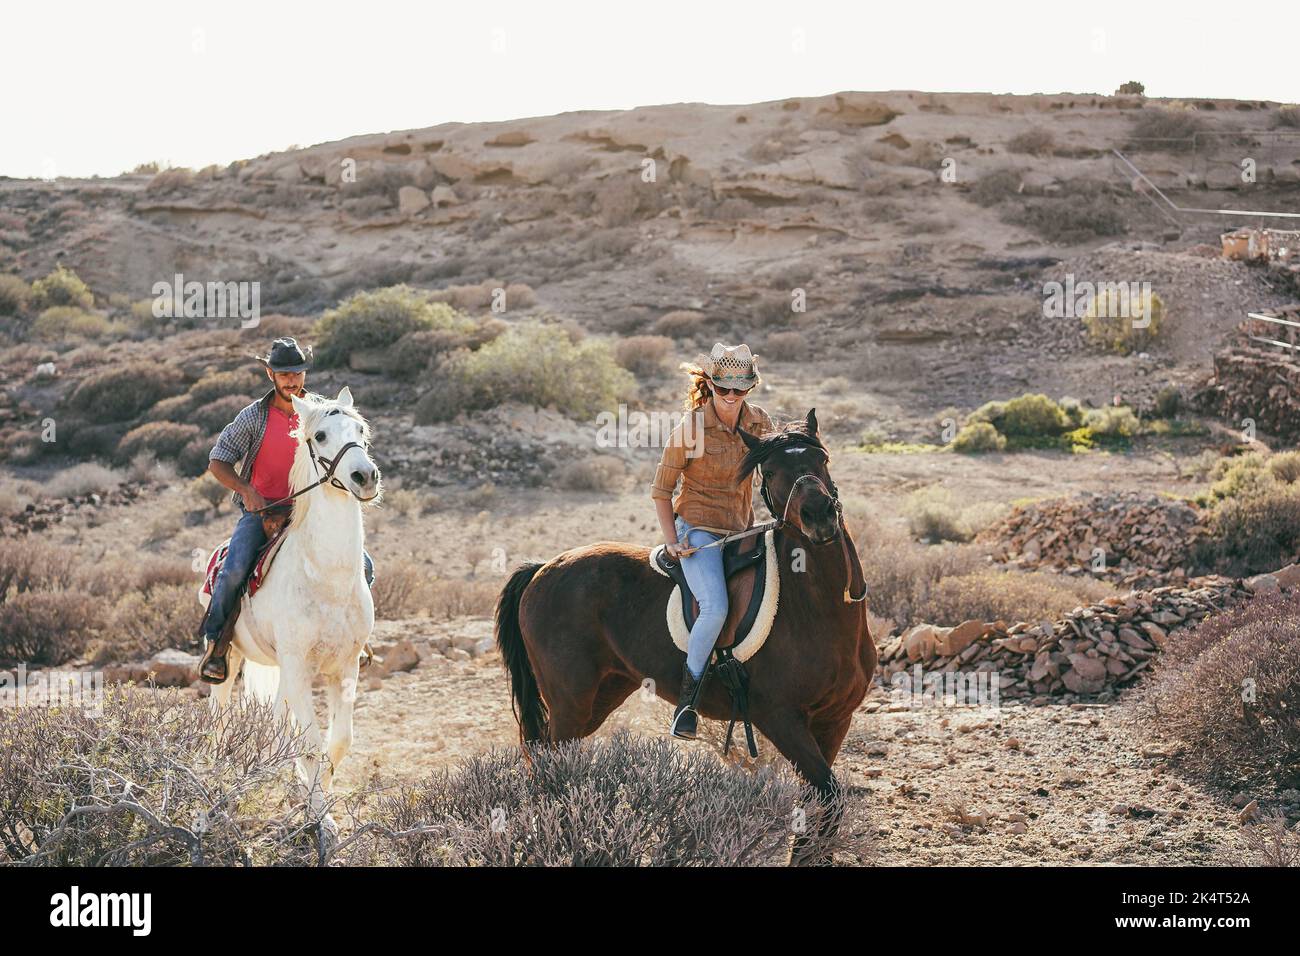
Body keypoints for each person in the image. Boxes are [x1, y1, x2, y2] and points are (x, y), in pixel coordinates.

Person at [198, 336, 375, 682]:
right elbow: (218, 462)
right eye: (283, 373)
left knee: (363, 565)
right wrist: (247, 492)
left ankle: (357, 639)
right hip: (261, 511)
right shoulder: (252, 417)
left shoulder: (321, 413)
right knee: (234, 567)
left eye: (297, 372)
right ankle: (217, 644)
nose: (291, 380)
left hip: (309, 513)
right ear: (270, 374)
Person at [650, 342, 774, 739]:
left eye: (739, 390)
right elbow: (661, 491)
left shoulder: (759, 423)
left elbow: (774, 469)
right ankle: (687, 705)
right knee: (716, 607)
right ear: (712, 386)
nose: (731, 398)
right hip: (698, 531)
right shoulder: (690, 428)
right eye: (724, 390)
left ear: (749, 389)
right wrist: (672, 541)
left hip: (743, 529)